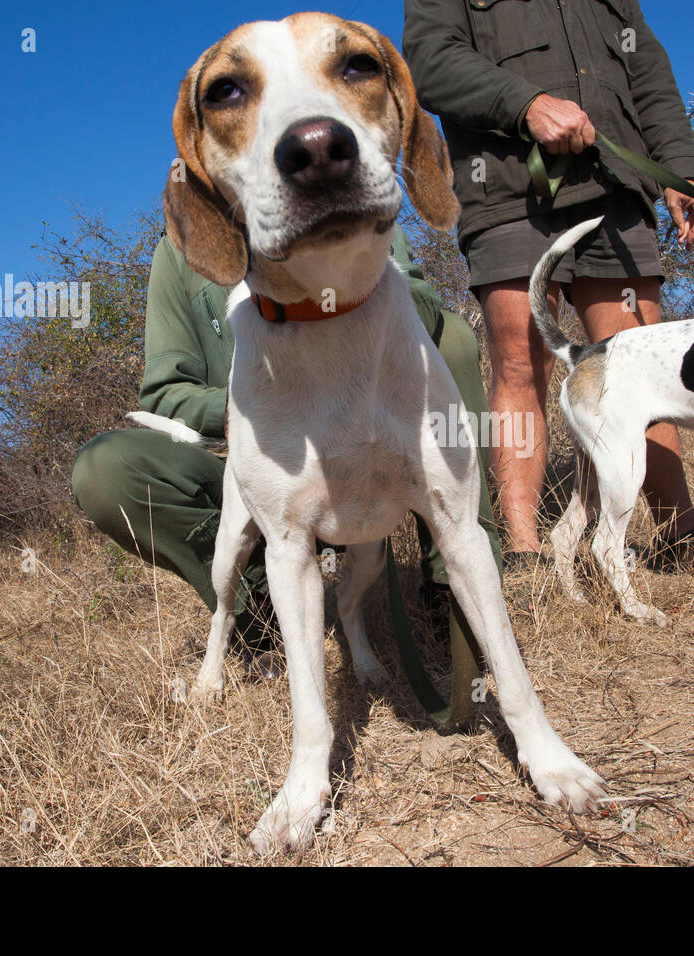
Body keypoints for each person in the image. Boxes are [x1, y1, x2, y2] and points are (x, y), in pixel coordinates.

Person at [403, 0, 694, 577]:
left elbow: (648, 69)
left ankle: (681, 537)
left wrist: (679, 164)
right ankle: (524, 552)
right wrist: (527, 105)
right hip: (510, 190)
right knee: (521, 361)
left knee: (644, 364)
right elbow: (432, 62)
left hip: (618, 186)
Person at [71, 226, 501, 654]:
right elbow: (165, 392)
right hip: (257, 456)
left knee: (452, 340)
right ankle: (258, 606)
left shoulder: (350, 193)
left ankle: (453, 590)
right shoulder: (179, 246)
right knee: (103, 468)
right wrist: (248, 404)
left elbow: (420, 300)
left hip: (371, 446)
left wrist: (352, 310)